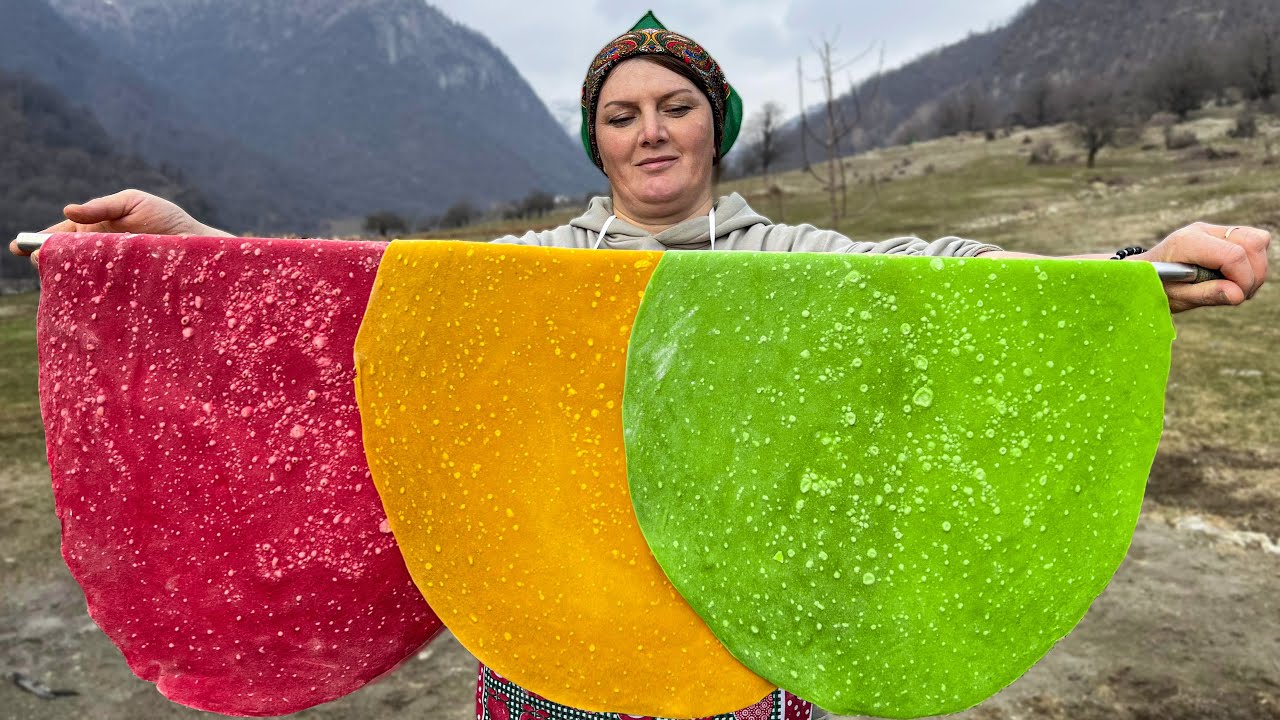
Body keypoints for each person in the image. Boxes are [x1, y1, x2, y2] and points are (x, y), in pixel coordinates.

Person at [8, 10, 1271, 720]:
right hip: (543, 635)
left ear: (710, 128)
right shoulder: (536, 266)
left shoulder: (785, 255)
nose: (647, 128)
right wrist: (193, 252)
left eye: (672, 106)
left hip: (730, 637)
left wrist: (1134, 266)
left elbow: (943, 281)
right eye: (621, 113)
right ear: (598, 139)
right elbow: (356, 313)